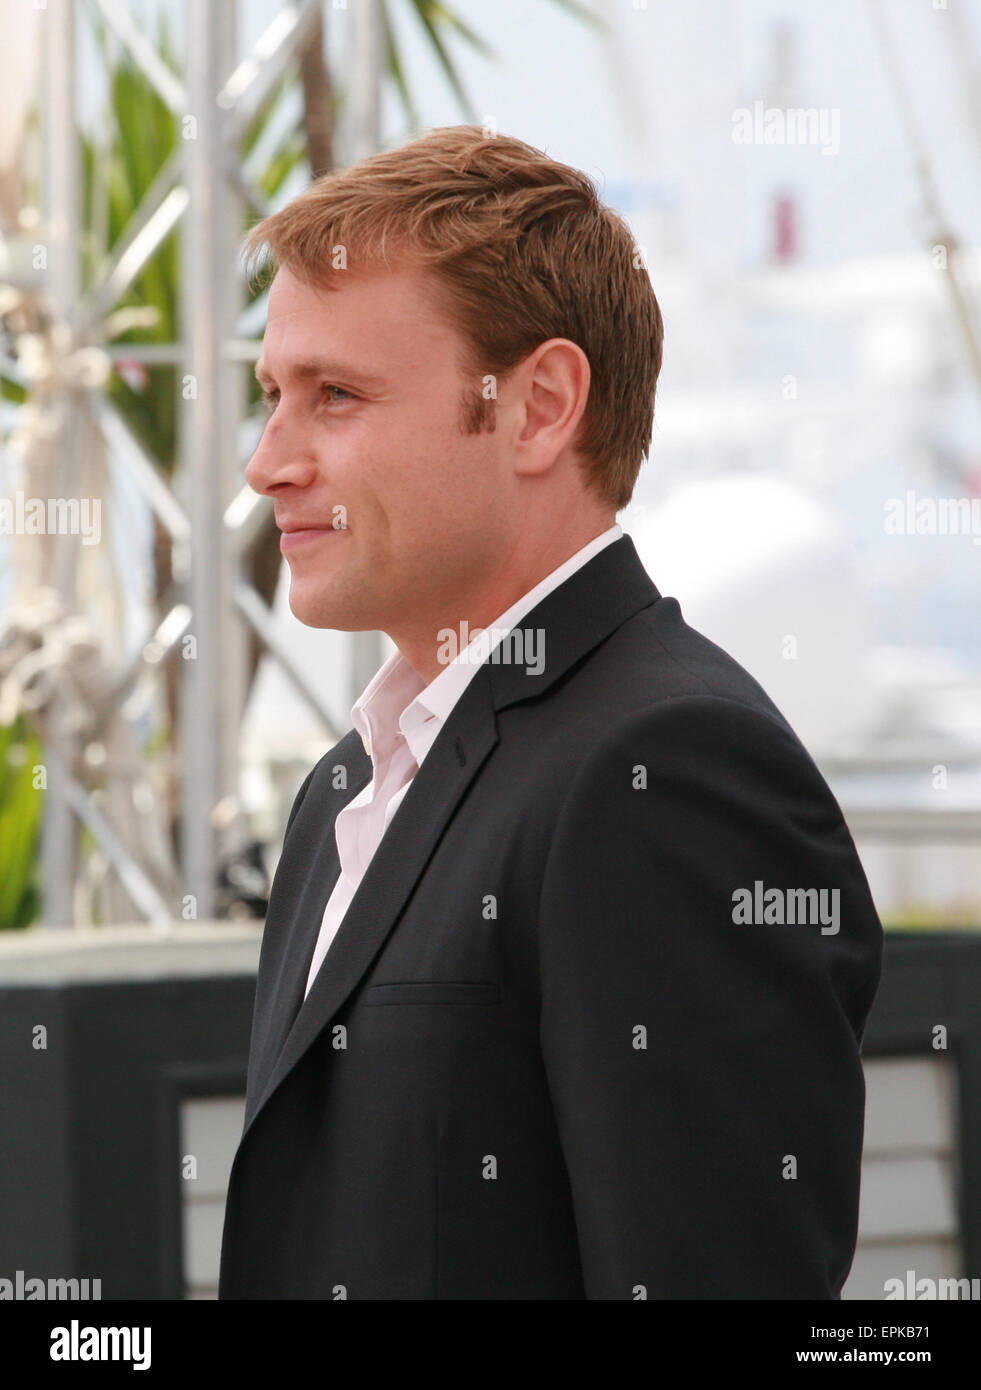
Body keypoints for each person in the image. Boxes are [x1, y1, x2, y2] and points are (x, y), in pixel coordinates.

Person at [218, 125, 882, 1300]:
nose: (269, 460)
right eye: (274, 394)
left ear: (538, 408)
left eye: (335, 396)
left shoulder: (668, 770)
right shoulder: (347, 788)